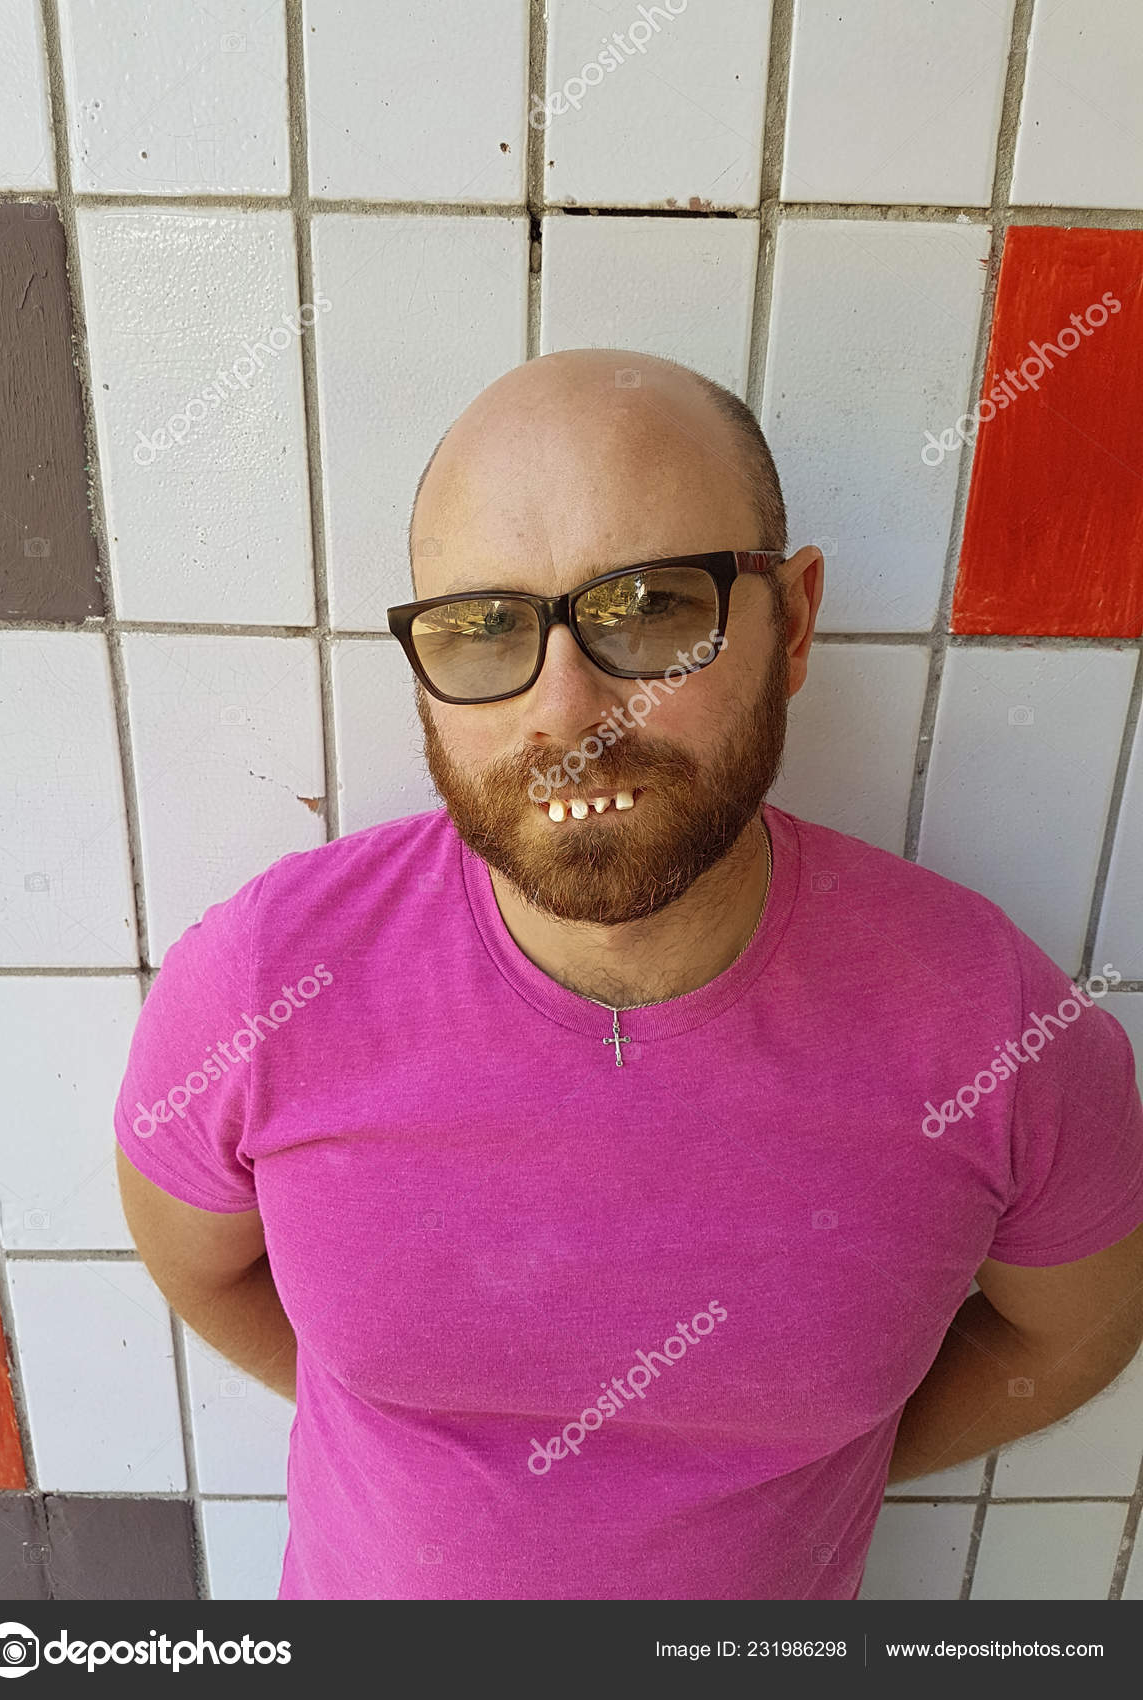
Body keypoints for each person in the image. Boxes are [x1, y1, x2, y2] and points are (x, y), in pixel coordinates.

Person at [115, 348, 1143, 1601]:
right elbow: (197, 1264)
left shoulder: (1002, 1031)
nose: (565, 707)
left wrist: (827, 1454)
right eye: (486, 626)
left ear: (796, 618)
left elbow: (1074, 1330)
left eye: (650, 606)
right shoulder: (266, 985)